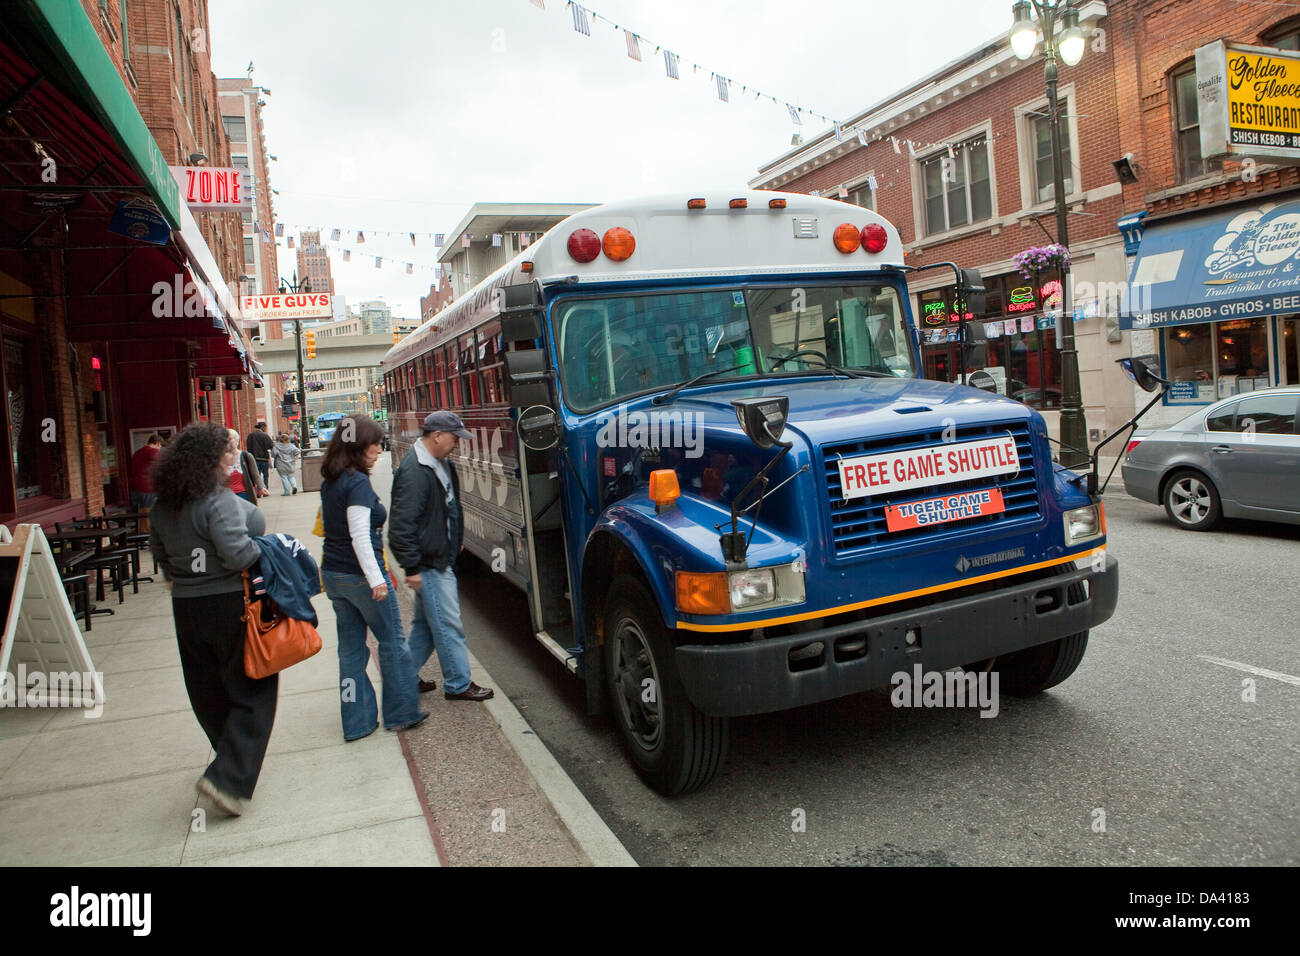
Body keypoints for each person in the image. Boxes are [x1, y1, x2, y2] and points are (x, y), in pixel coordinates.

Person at [148, 422, 278, 816]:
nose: (231, 458)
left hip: (186, 607)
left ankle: (228, 761)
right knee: (255, 686)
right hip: (228, 602)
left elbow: (161, 556)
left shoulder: (162, 504)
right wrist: (264, 549)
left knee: (207, 689)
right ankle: (227, 777)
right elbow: (237, 555)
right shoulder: (217, 499)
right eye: (225, 451)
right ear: (207, 459)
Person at [320, 414, 427, 739]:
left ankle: (357, 722)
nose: (379, 449)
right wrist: (376, 579)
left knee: (350, 650)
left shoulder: (332, 480)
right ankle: (402, 713)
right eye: (374, 444)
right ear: (357, 445)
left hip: (335, 575)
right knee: (392, 642)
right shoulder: (356, 483)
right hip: (361, 576)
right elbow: (360, 536)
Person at [389, 410, 494, 702]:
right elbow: (401, 525)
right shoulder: (415, 471)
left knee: (425, 627)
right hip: (430, 563)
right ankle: (459, 683)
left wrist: (455, 540)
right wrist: (411, 566)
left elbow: (448, 506)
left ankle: (403, 677)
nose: (457, 444)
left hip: (437, 556)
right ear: (436, 435)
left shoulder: (436, 462)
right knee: (449, 625)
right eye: (454, 438)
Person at [227, 428, 267, 505]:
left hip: (244, 494)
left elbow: (255, 475)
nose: (227, 442)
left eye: (229, 439)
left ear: (236, 440)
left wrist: (261, 487)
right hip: (227, 497)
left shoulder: (246, 456)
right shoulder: (220, 458)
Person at [129, 433, 164, 510]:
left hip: (134, 488)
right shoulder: (153, 451)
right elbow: (165, 464)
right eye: (160, 446)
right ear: (158, 443)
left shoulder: (137, 453)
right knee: (149, 514)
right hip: (146, 489)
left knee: (138, 515)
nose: (160, 448)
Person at [246, 422, 274, 488]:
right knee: (265, 475)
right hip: (264, 458)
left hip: (254, 458)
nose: (266, 429)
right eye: (265, 428)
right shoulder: (265, 435)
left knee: (256, 475)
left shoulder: (250, 435)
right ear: (262, 427)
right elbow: (271, 445)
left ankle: (258, 488)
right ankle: (265, 487)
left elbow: (248, 447)